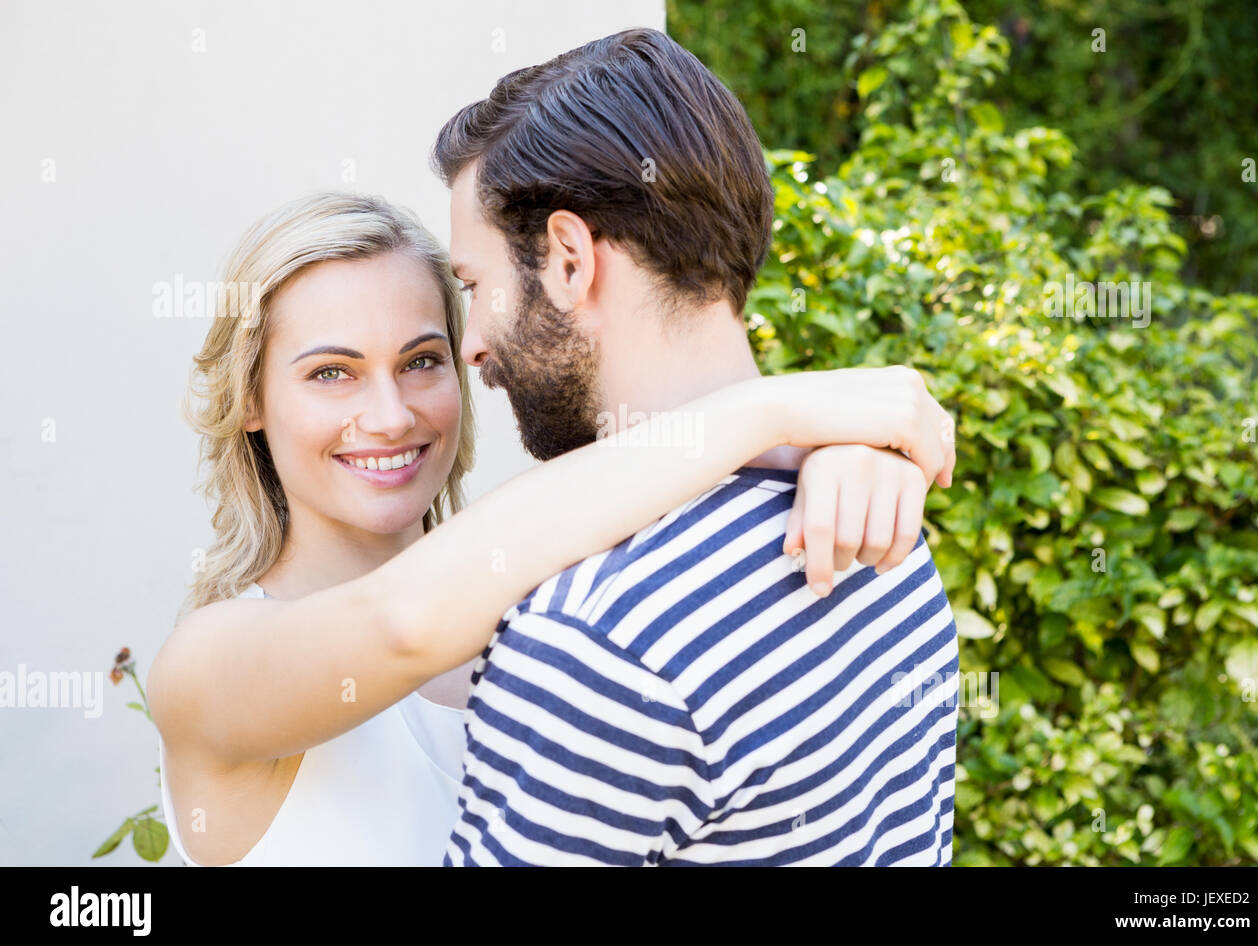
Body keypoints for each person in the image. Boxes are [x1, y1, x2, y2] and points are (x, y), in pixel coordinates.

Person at [148, 190, 956, 866]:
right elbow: (397, 623)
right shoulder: (208, 664)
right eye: (333, 373)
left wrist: (838, 455)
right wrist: (780, 409)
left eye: (422, 360)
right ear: (250, 400)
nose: (390, 416)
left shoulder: (549, 600)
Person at [433, 27, 960, 866]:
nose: (470, 345)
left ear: (569, 260)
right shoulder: (882, 530)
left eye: (474, 285)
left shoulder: (595, 642)